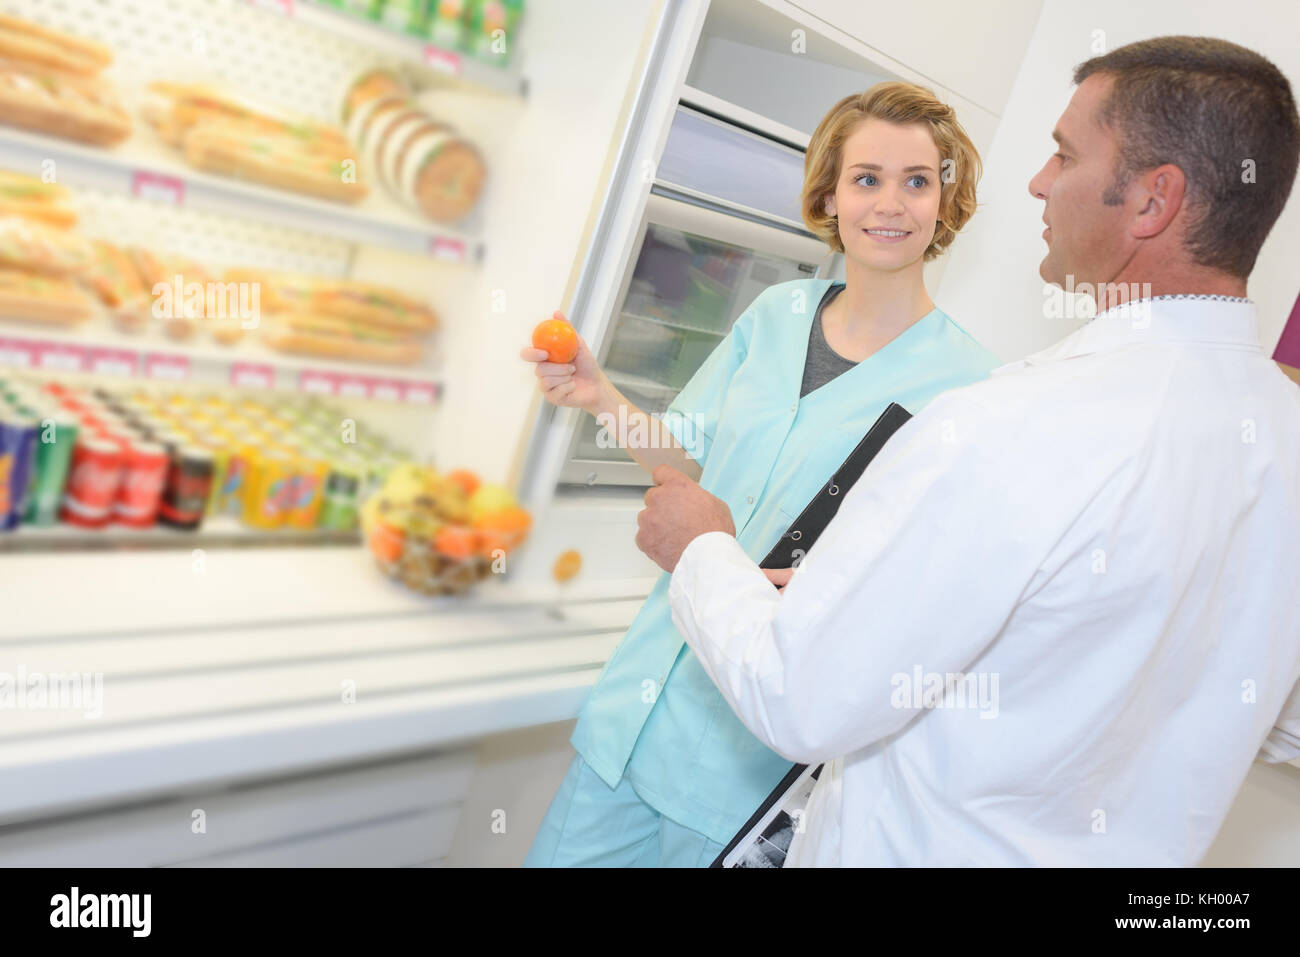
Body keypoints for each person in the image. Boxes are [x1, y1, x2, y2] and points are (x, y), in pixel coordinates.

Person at [635, 35, 1300, 866]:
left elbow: (801, 696)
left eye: (1065, 154)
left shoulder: (1007, 422)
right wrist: (891, 600)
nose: (1038, 181)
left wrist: (700, 546)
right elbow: (1265, 707)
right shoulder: (1283, 433)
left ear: (1151, 201)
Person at [519, 82, 1000, 866]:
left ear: (948, 202)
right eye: (866, 177)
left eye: (919, 180)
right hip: (637, 717)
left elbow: (928, 590)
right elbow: (695, 465)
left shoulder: (970, 387)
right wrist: (597, 394)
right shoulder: (777, 313)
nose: (891, 203)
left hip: (746, 766)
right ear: (831, 193)